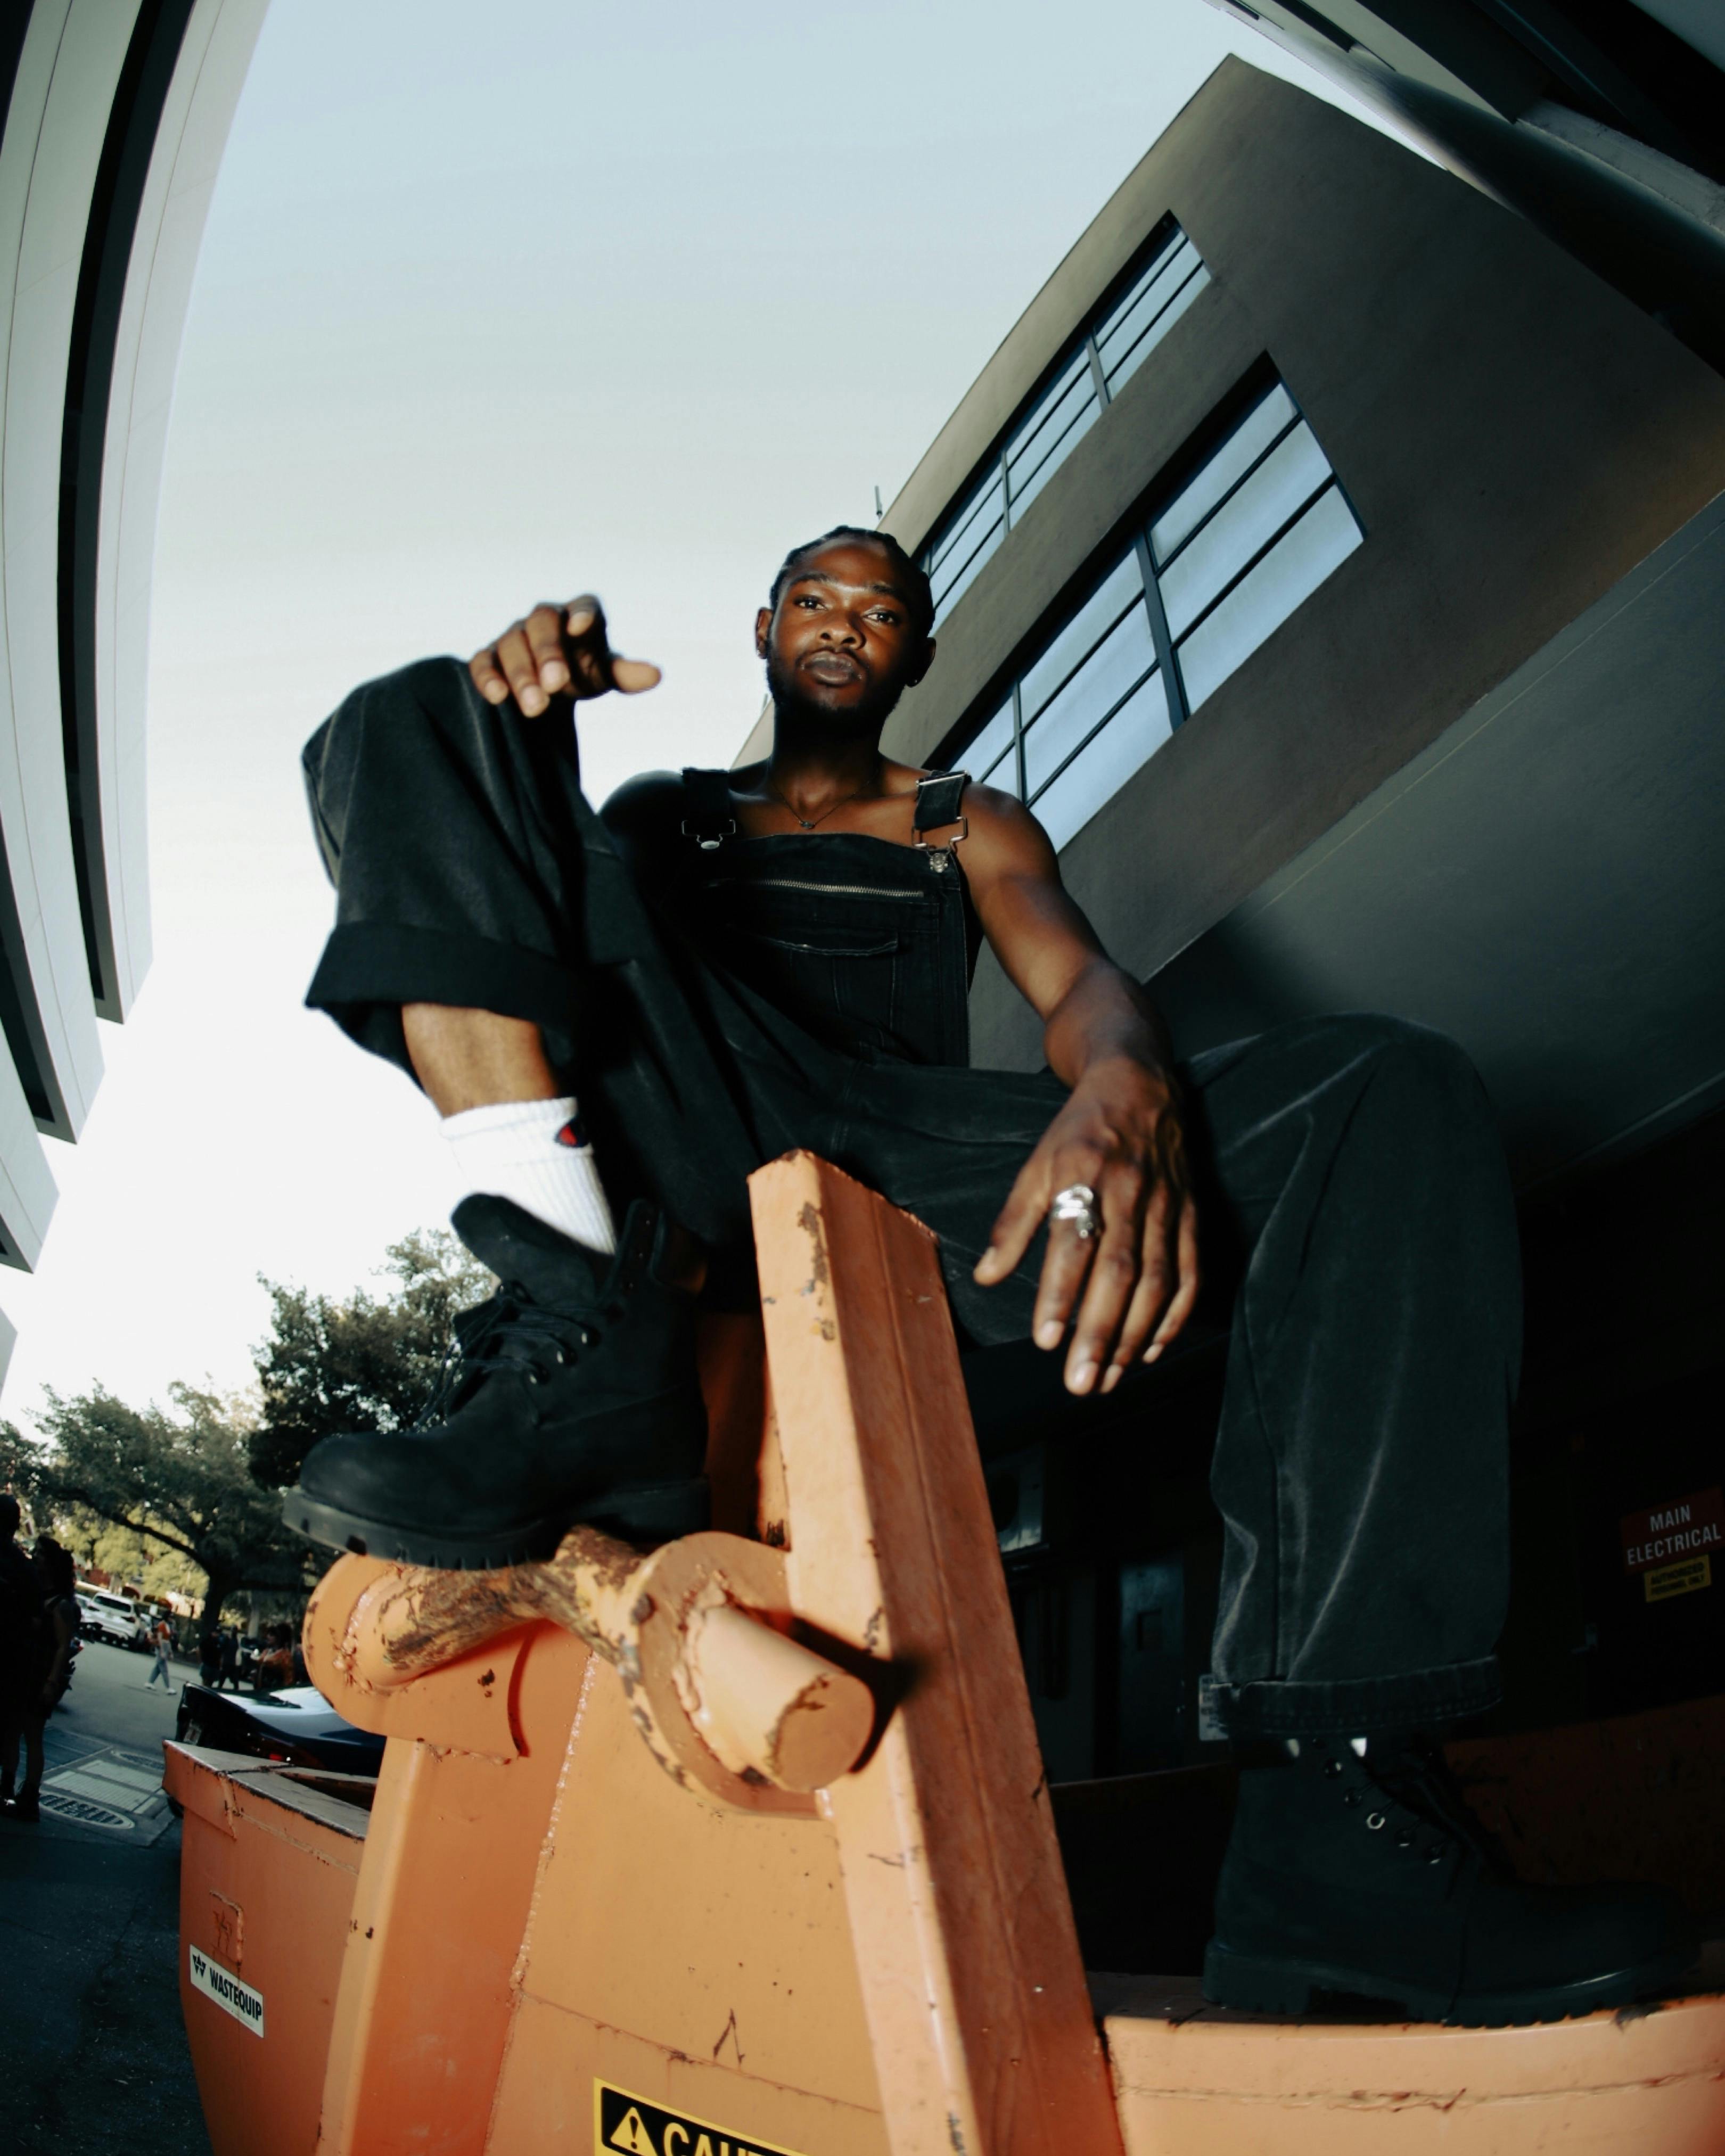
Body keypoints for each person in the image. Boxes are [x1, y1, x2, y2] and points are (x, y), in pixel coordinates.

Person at [285, 527, 1693, 2024]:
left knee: (1383, 1093)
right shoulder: (663, 817)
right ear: (764, 630)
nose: (844, 625)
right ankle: (577, 1308)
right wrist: (520, 728)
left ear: (916, 653)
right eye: (815, 601)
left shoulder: (967, 821)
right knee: (419, 712)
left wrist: (1123, 1084)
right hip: (701, 1110)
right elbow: (536, 915)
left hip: (912, 1148)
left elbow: (1077, 980)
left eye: (880, 611)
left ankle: (1339, 1810)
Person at [3, 1538, 78, 1823]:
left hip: (40, 1675)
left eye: (41, 1555)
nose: (35, 1558)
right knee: (12, 1731)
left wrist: (51, 1681)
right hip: (23, 1672)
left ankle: (30, 1795)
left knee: (33, 1735)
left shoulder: (60, 1605)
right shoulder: (36, 1595)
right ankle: (7, 1786)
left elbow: (62, 1646)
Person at [0, 1494, 45, 1817]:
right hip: (10, 1662)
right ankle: (5, 1789)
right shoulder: (25, 1569)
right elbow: (35, 1621)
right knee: (8, 1731)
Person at [147, 1614, 176, 1689]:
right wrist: (162, 1651)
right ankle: (168, 1687)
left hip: (166, 1646)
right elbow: (160, 1638)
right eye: (170, 1617)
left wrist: (170, 1652)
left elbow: (168, 1639)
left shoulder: (168, 1626)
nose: (172, 1619)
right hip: (161, 1647)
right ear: (167, 1617)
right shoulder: (162, 1625)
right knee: (164, 1668)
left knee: (158, 1667)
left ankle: (150, 1682)